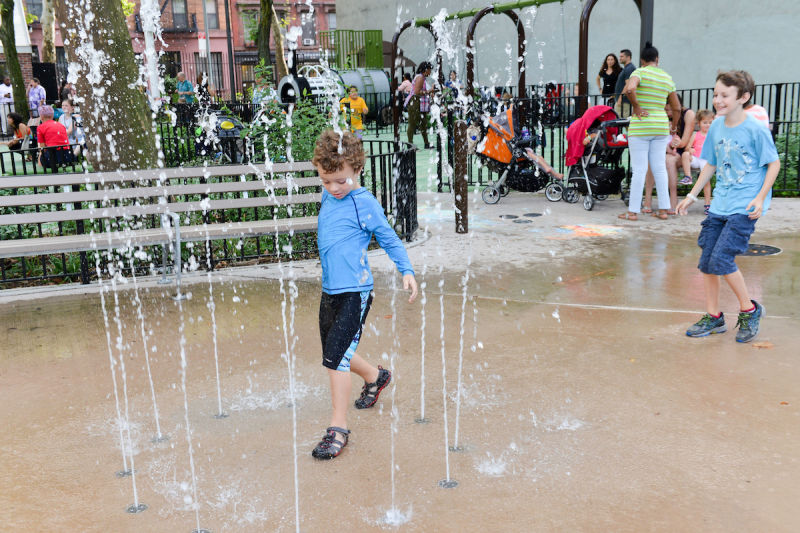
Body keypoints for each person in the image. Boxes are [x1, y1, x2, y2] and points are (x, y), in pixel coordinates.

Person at [310, 129, 418, 460]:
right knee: (334, 351)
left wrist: (407, 270)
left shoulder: (364, 202)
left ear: (357, 169)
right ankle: (376, 376)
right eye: (326, 181)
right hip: (330, 291)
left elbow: (388, 238)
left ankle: (338, 428)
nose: (333, 188)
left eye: (341, 180)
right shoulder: (331, 195)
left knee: (336, 359)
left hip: (355, 293)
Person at [676, 71, 780, 343]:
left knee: (722, 259)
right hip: (719, 204)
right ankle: (714, 317)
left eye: (724, 95)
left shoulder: (755, 128)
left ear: (743, 97)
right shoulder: (717, 126)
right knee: (708, 261)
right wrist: (693, 195)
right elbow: (710, 162)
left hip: (744, 207)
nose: (717, 100)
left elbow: (774, 163)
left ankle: (749, 310)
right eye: (715, 94)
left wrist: (760, 197)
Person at [618, 43, 680, 221]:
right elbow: (676, 107)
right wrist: (674, 126)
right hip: (660, 126)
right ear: (657, 59)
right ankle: (663, 210)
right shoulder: (667, 77)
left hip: (641, 126)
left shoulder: (639, 72)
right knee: (659, 168)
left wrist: (636, 106)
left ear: (642, 60)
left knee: (639, 169)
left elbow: (630, 89)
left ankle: (632, 213)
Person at [642, 98, 695, 213]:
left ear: (679, 106)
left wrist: (675, 144)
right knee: (652, 159)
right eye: (666, 109)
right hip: (663, 149)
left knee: (669, 161)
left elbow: (684, 143)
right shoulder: (661, 115)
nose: (668, 112)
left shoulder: (688, 114)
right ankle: (648, 199)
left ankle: (673, 199)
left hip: (681, 152)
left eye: (671, 109)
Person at [679, 108, 714, 214]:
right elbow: (687, 148)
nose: (707, 125)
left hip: (705, 160)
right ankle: (688, 177)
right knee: (685, 154)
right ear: (699, 123)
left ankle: (707, 205)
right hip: (696, 159)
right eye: (705, 122)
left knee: (706, 181)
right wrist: (690, 149)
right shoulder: (696, 135)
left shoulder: (713, 136)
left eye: (710, 123)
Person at [405, 61, 434, 149]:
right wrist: (428, 92)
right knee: (413, 123)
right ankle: (410, 145)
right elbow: (417, 92)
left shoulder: (421, 77)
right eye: (429, 70)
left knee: (423, 124)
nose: (430, 72)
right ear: (425, 70)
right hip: (415, 102)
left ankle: (426, 143)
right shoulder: (420, 78)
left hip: (419, 103)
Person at [613, 49, 635, 118]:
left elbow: (628, 84)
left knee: (622, 123)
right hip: (622, 102)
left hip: (624, 102)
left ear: (628, 57)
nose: (620, 58)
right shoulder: (627, 68)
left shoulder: (630, 68)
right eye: (620, 56)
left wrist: (620, 98)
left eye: (622, 56)